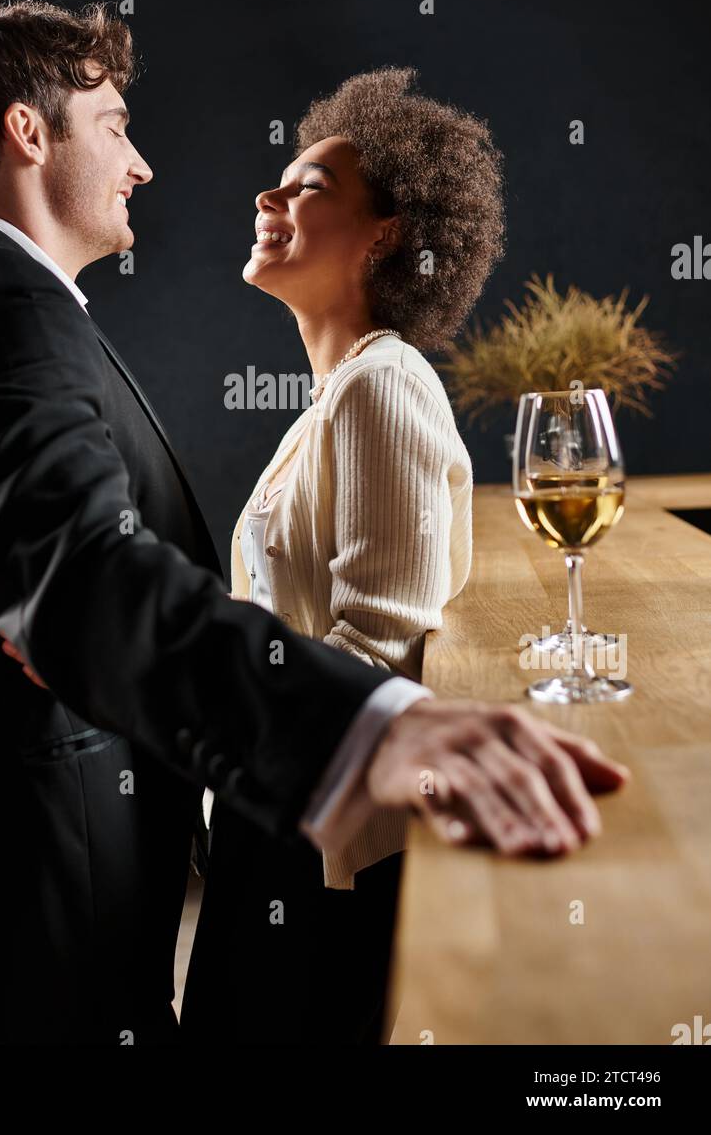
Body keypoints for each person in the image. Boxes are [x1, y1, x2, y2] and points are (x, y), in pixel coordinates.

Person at [0, 0, 629, 1046]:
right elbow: (80, 582)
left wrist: (74, 627)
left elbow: (49, 588)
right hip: (33, 901)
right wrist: (367, 726)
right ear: (27, 134)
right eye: (115, 123)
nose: (141, 164)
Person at [180, 70, 502, 1044]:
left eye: (306, 186)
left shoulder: (381, 387)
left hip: (320, 849)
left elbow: (383, 646)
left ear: (384, 233)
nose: (266, 199)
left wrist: (204, 706)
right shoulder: (338, 398)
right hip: (283, 812)